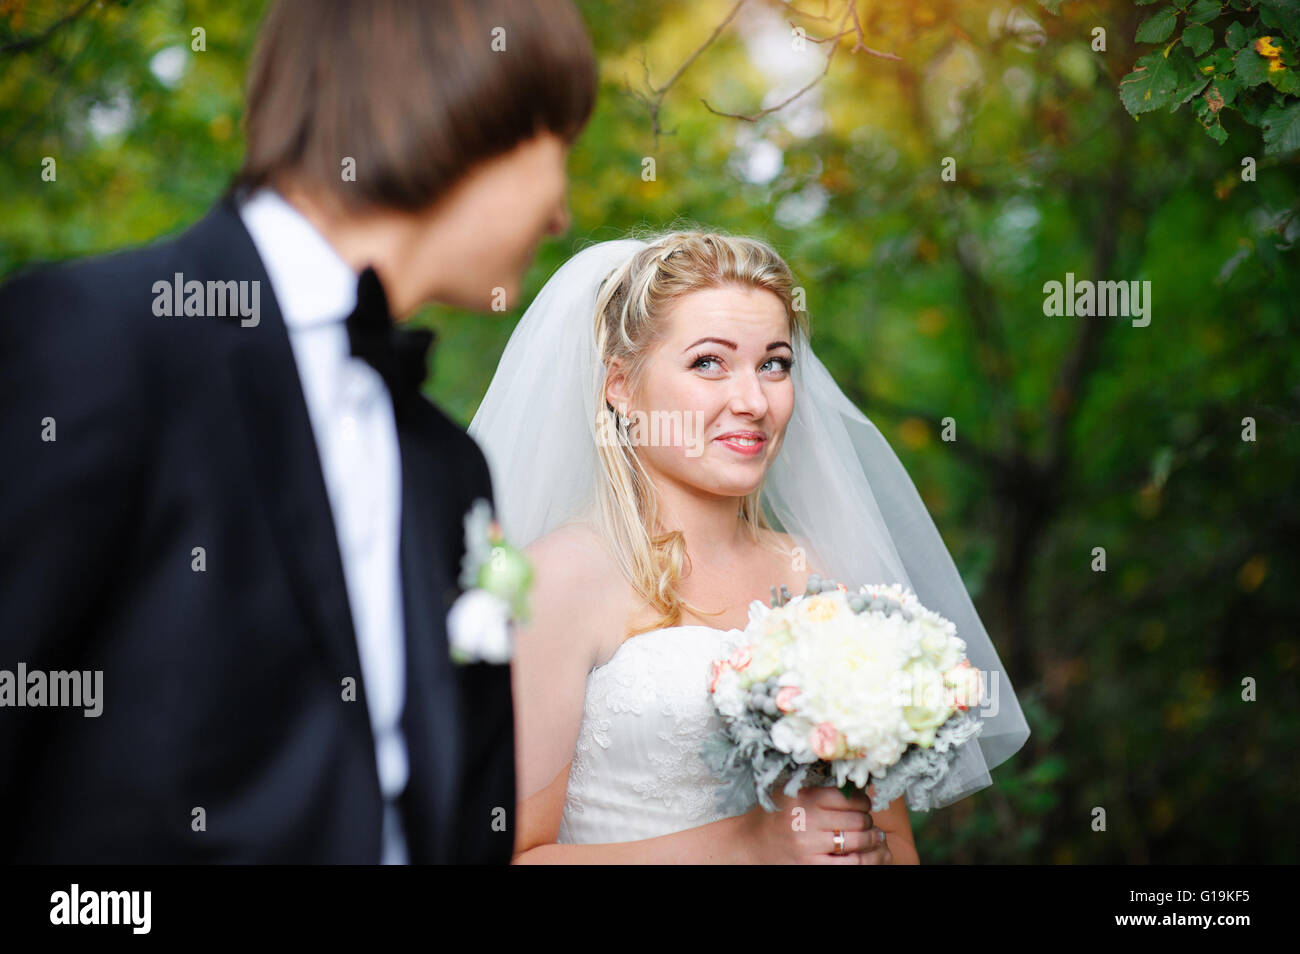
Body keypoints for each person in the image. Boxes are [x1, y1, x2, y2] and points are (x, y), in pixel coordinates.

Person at [0, 0, 596, 863]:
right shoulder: (95, 340)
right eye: (562, 152)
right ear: (468, 108)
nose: (560, 216)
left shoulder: (449, 467)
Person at [468, 232, 1032, 863]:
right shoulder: (559, 579)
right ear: (621, 387)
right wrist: (752, 847)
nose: (753, 402)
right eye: (709, 362)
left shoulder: (819, 577)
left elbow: (892, 843)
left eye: (775, 363)